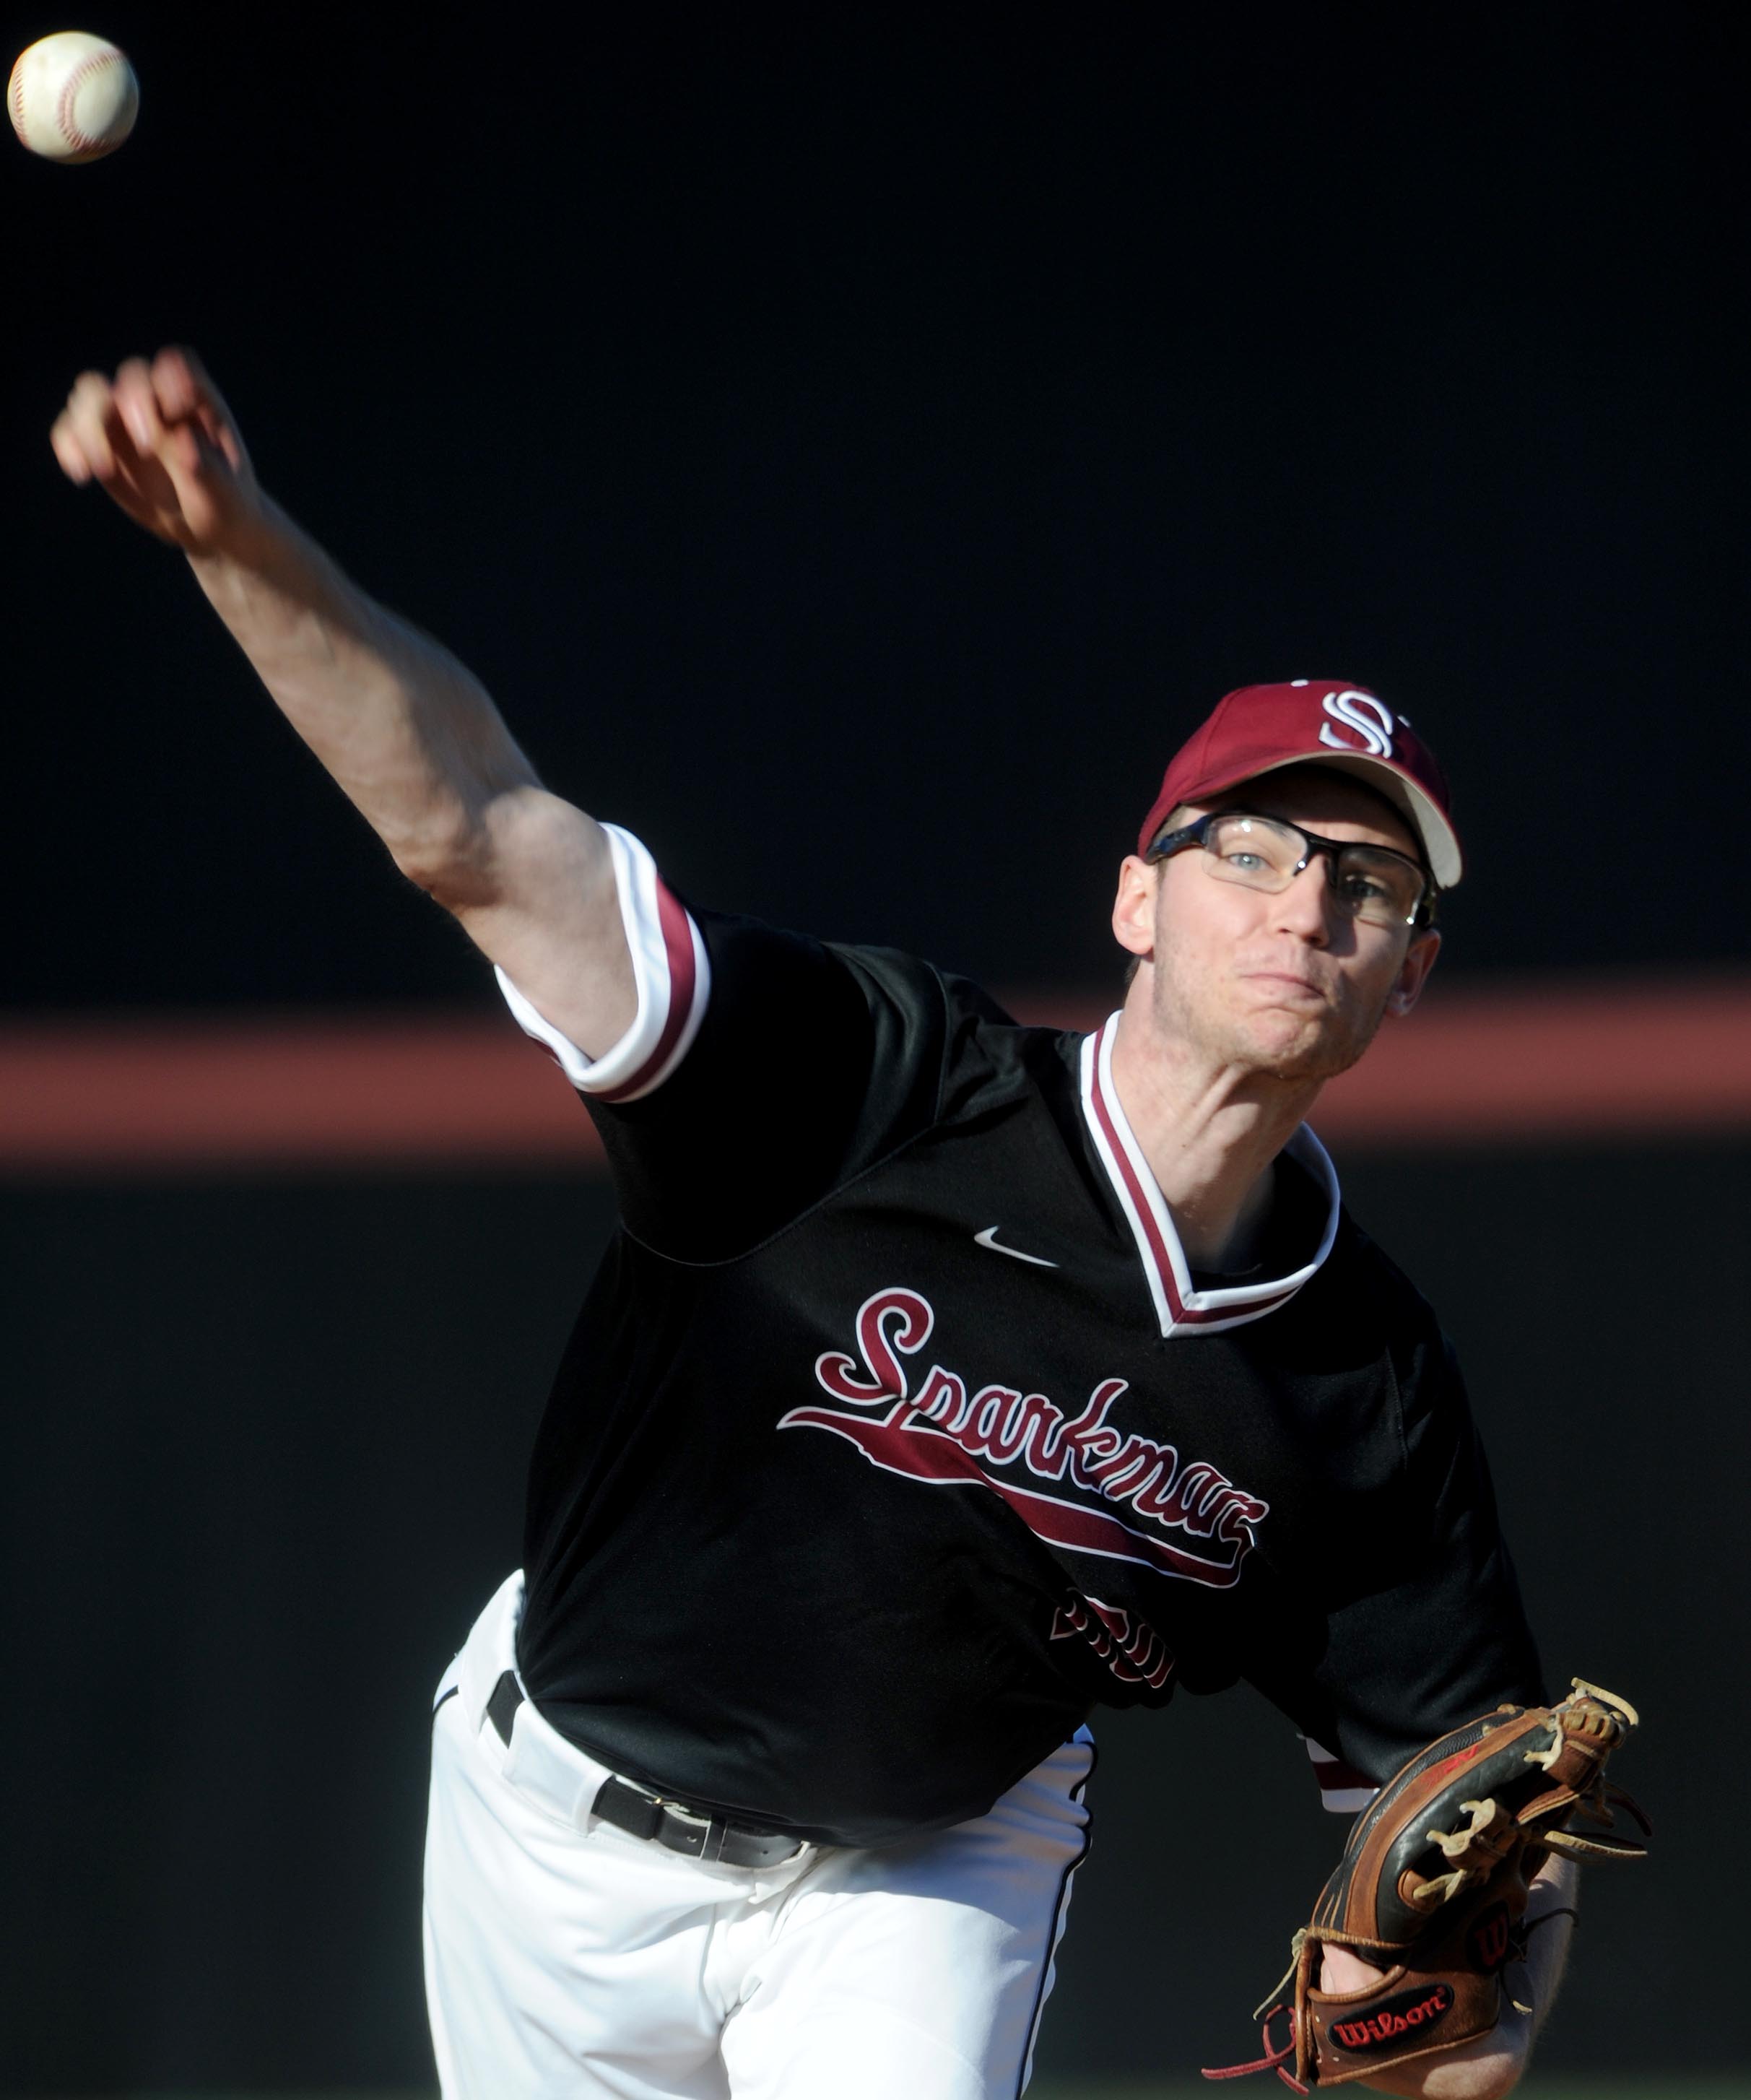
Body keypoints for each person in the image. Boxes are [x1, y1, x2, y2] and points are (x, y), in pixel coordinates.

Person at [52, 348, 1577, 2100]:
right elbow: (477, 830)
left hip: (923, 1865)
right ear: (1137, 895)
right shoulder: (873, 1081)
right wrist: (239, 546)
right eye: (1254, 849)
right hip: (552, 1827)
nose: (1308, 902)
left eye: (1369, 882)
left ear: (1411, 978)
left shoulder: (1359, 1383)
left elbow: (1481, 1810)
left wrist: (1474, 2026)